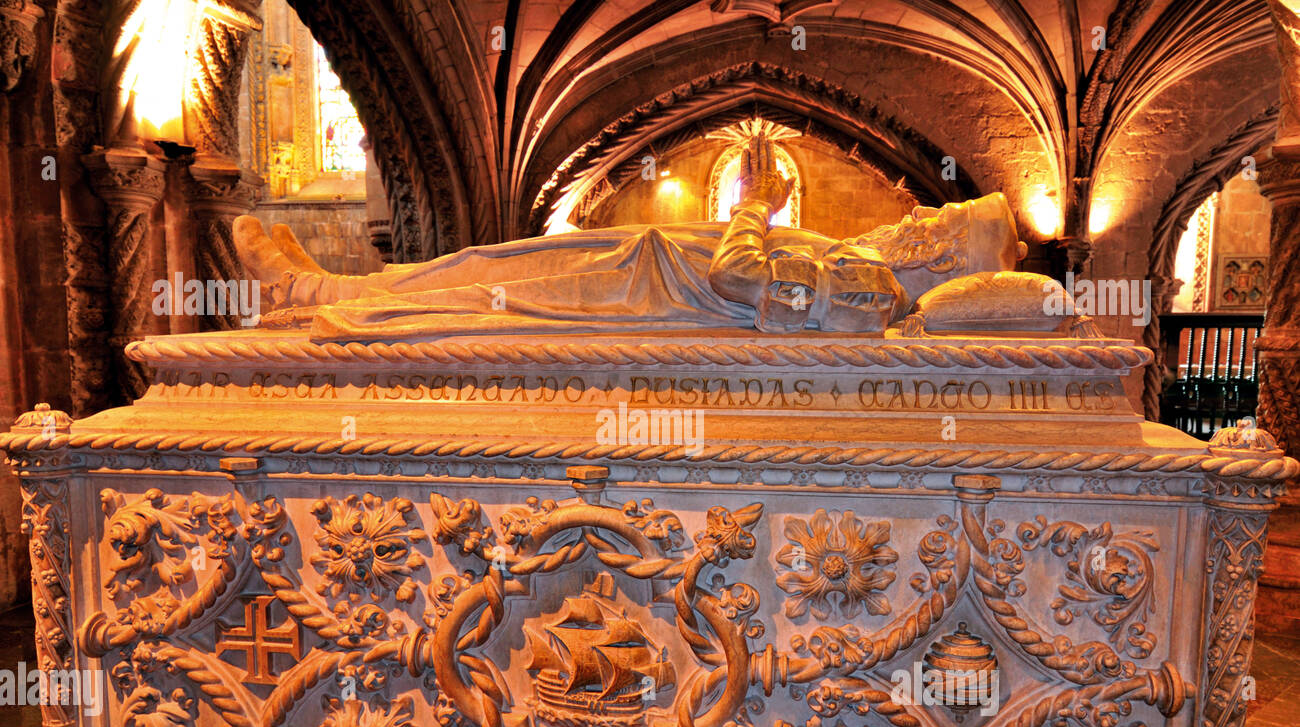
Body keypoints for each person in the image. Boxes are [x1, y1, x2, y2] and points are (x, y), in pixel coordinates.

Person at [234, 137, 1032, 342]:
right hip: (645, 266)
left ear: (938, 255)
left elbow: (739, 277)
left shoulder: (871, 286)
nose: (920, 217)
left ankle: (312, 297)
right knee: (479, 264)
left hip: (648, 292)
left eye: (939, 223)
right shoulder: (870, 269)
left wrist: (758, 205)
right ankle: (324, 289)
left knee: (478, 292)